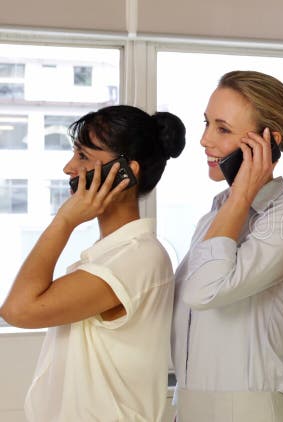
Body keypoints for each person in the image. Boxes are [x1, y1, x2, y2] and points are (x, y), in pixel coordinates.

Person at [0, 105, 185, 421]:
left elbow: (18, 309)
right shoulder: (117, 253)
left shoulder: (136, 258)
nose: (69, 168)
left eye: (83, 156)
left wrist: (65, 220)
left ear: (126, 171)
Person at [170, 70, 283, 422]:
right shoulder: (216, 214)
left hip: (248, 411)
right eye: (206, 123)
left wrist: (241, 195)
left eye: (222, 129)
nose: (205, 140)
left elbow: (203, 291)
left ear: (268, 142)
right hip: (188, 408)